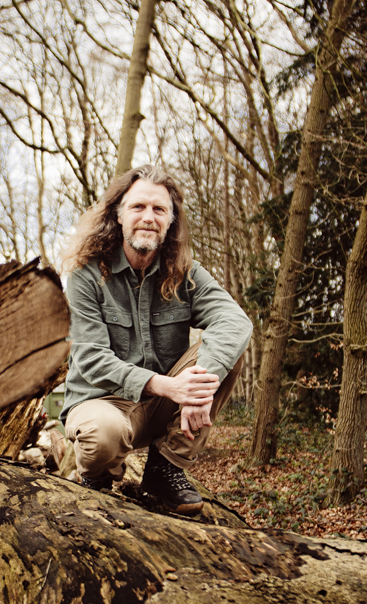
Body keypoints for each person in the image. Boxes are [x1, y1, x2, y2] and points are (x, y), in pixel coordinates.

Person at [59, 165, 252, 514]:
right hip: (103, 405)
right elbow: (90, 358)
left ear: (170, 220)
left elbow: (235, 321)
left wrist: (196, 390)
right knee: (103, 433)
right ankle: (98, 477)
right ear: (118, 215)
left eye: (159, 209)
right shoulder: (86, 276)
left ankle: (165, 467)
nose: (149, 217)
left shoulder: (185, 272)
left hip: (162, 409)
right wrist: (166, 386)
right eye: (138, 207)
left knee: (228, 353)